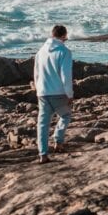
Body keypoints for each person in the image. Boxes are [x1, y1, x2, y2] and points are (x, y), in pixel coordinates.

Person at [33, 24, 73, 163]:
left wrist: (38, 90)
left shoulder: (41, 51)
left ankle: (43, 154)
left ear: (52, 34)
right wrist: (70, 94)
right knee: (66, 115)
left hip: (42, 92)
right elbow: (66, 76)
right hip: (59, 92)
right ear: (64, 36)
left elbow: (36, 73)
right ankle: (58, 141)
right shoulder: (64, 51)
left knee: (43, 124)